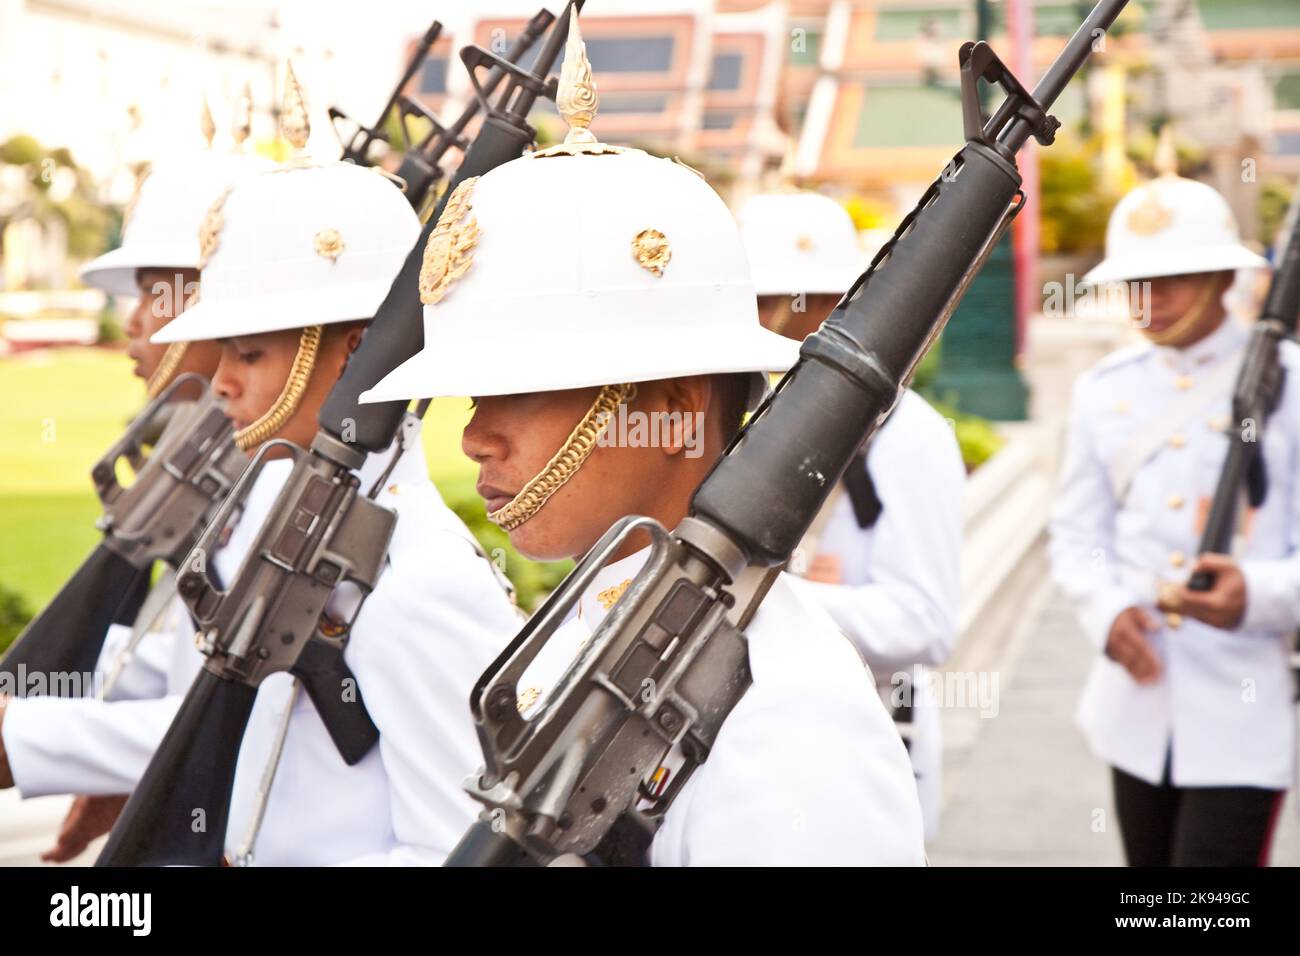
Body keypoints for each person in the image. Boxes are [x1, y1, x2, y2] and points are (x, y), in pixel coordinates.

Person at [361, 15, 926, 865]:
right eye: (476, 396)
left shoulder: (785, 716)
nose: (475, 437)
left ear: (667, 403)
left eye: (517, 394)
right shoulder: (598, 621)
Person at [1, 108, 520, 865]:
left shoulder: (419, 574)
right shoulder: (293, 508)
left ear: (350, 359)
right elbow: (206, 682)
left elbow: (451, 849)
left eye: (247, 352)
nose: (222, 381)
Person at [1048, 144, 1299, 866]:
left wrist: (1259, 593)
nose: (1147, 302)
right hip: (1136, 697)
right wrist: (1105, 611)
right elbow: (1076, 533)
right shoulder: (1106, 387)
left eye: (1170, 279)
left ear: (1226, 275)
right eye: (1135, 282)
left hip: (1241, 706)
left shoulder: (1289, 381)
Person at [738, 189, 964, 840]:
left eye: (809, 304)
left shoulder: (908, 434)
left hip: (865, 733)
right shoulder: (747, 418)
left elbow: (924, 623)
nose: (788, 324)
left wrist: (765, 595)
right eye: (765, 305)